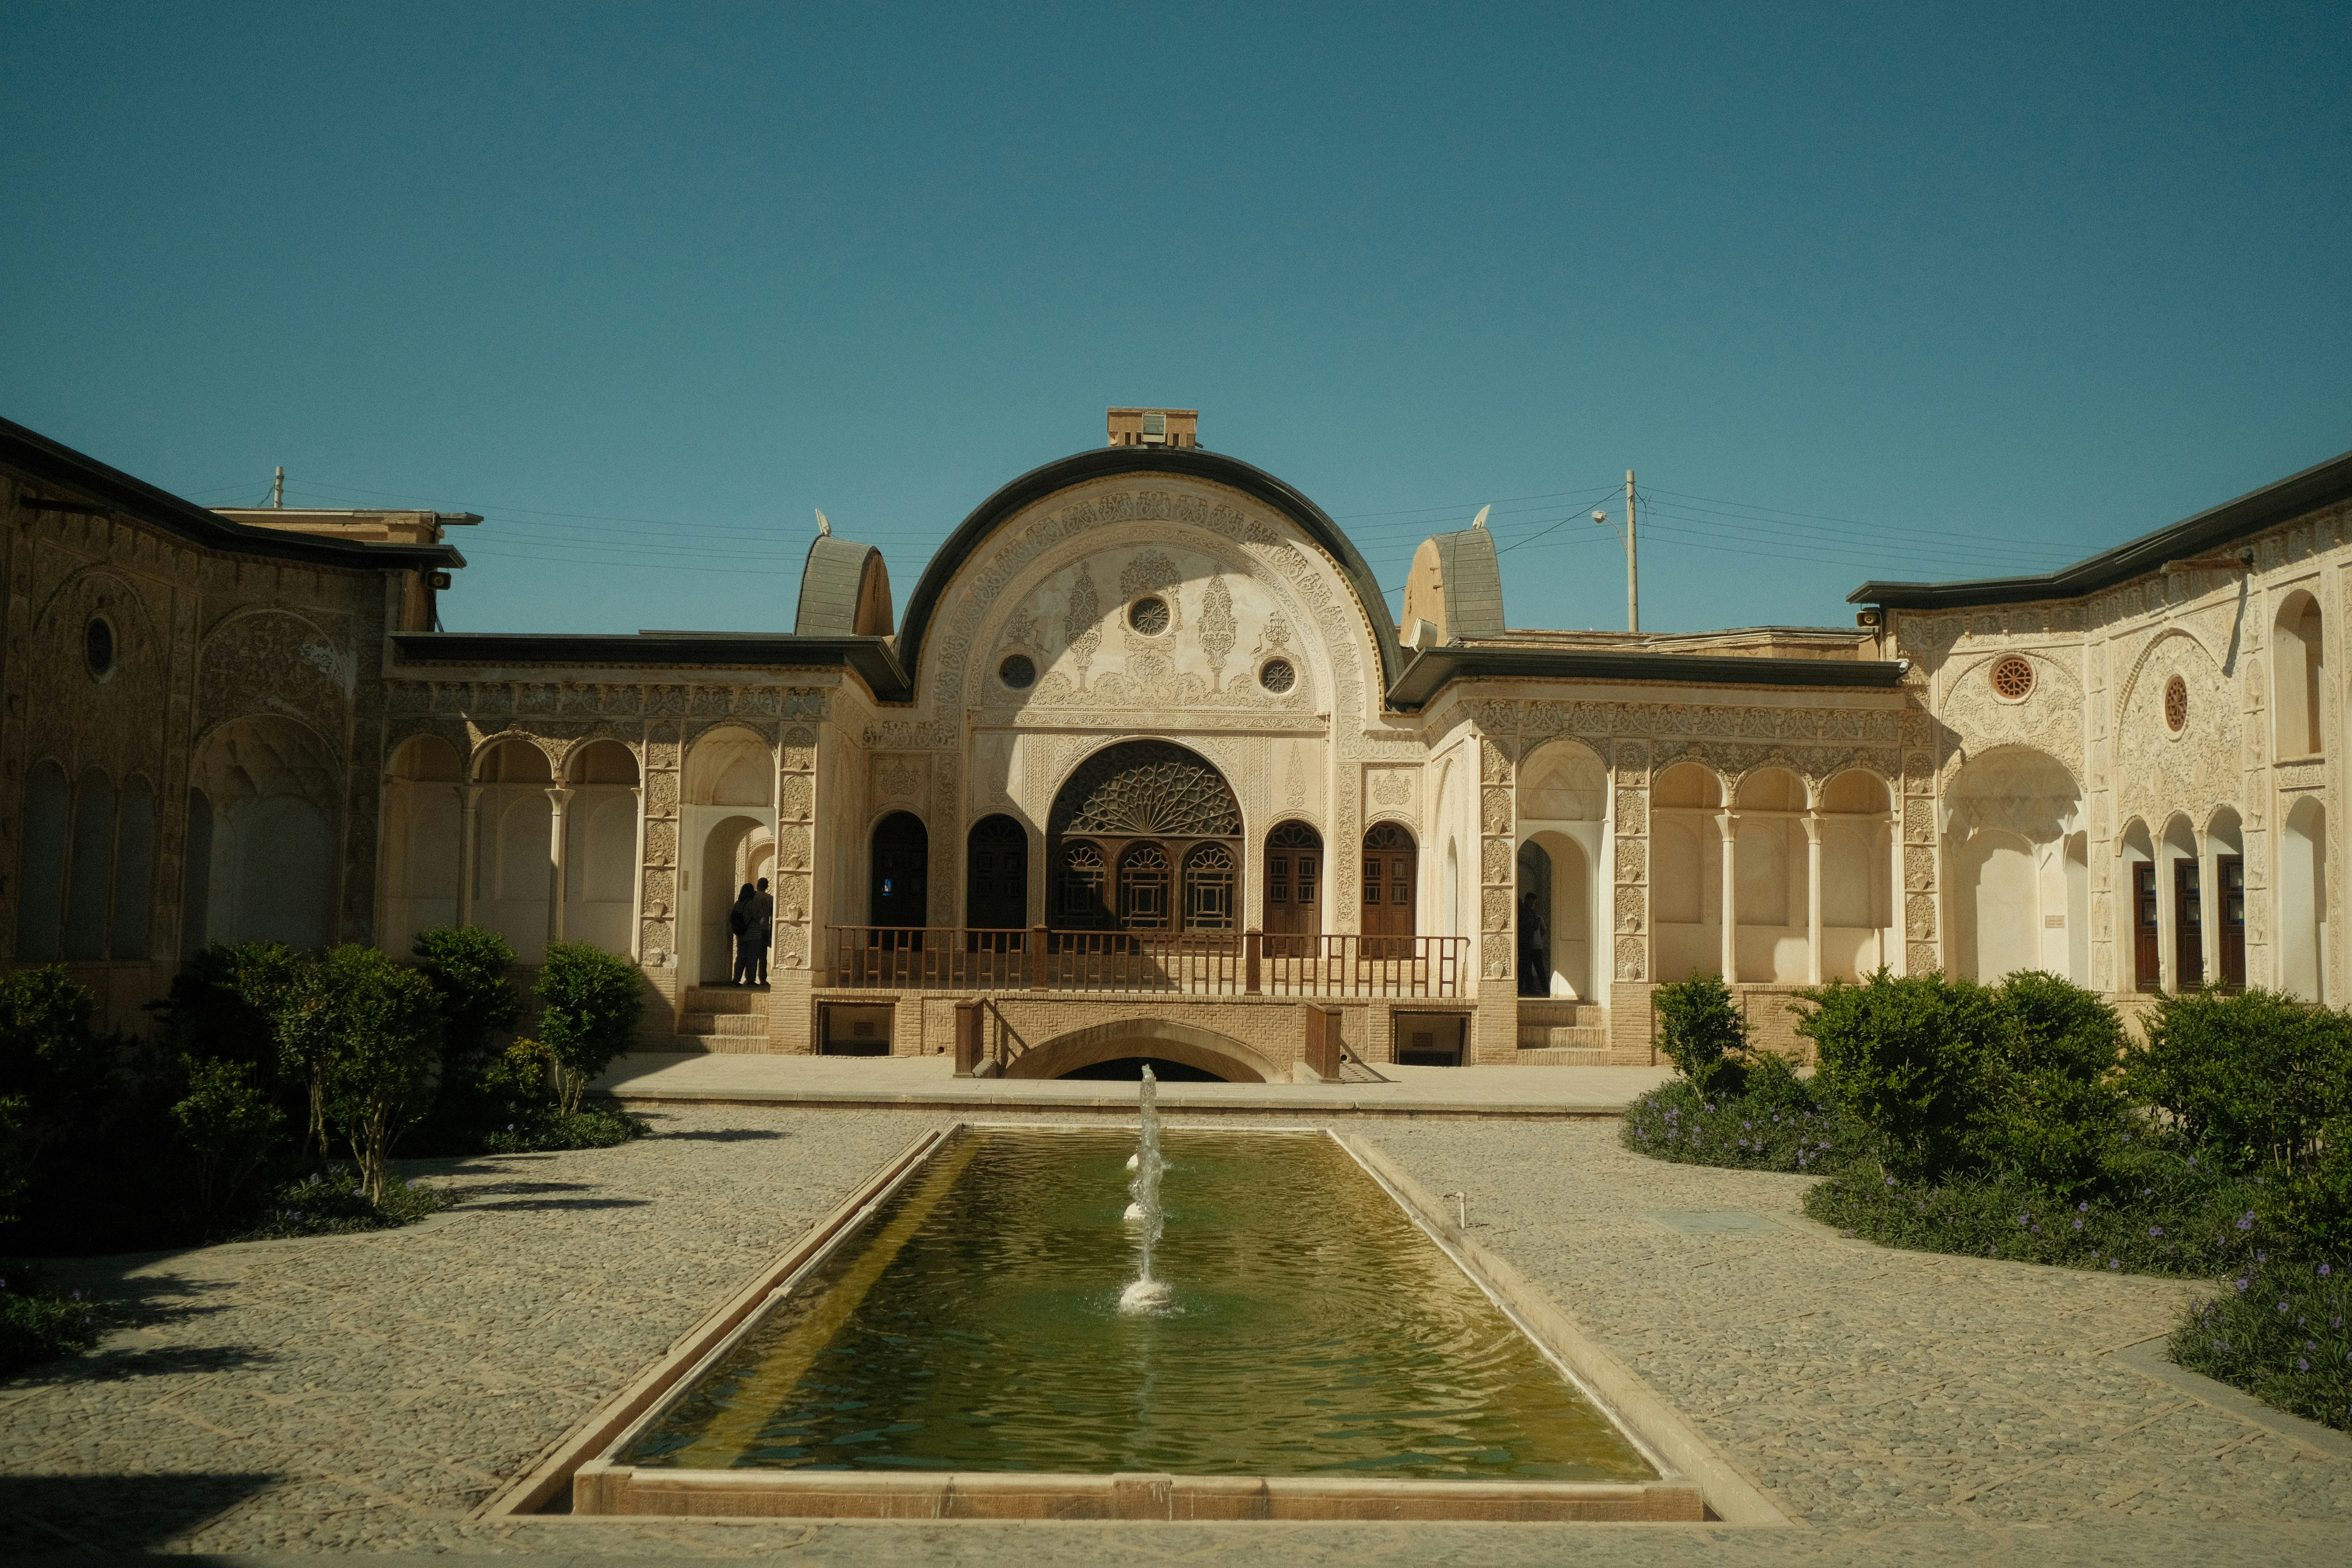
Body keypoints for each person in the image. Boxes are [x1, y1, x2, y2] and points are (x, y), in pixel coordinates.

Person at [728, 883, 759, 985]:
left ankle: (736, 980)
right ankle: (750, 980)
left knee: (741, 957)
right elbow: (759, 917)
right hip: (753, 935)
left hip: (741, 935)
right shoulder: (750, 904)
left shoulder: (737, 904)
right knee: (752, 958)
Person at [751, 876, 775, 986]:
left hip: (753, 929)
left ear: (758, 885)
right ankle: (763, 979)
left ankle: (750, 978)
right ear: (767, 887)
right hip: (764, 930)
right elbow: (773, 916)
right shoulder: (770, 899)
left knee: (752, 954)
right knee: (763, 956)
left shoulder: (753, 897)